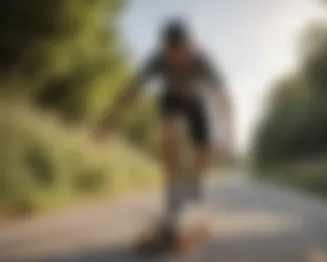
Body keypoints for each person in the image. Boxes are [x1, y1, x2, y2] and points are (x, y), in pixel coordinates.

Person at [95, 18, 234, 226]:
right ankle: (174, 201)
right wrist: (109, 120)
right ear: (166, 49)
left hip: (196, 101)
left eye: (183, 52)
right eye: (172, 53)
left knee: (205, 152)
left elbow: (222, 96)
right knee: (171, 137)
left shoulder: (203, 60)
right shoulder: (157, 60)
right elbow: (132, 90)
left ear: (191, 47)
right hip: (173, 100)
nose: (178, 59)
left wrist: (228, 134)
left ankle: (194, 182)